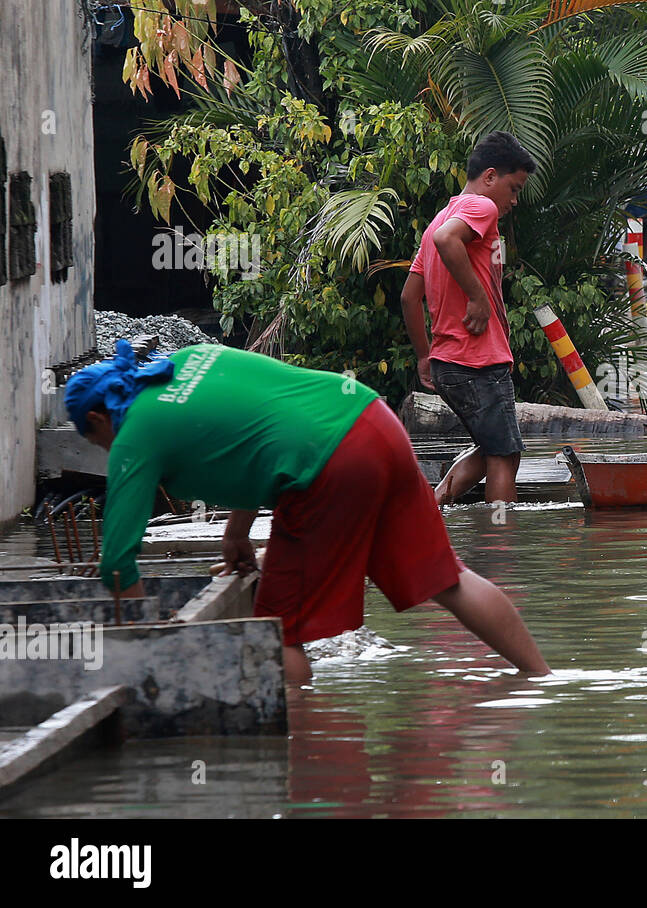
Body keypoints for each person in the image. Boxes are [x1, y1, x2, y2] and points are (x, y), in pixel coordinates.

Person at [64, 340, 552, 685]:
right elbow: (258, 425)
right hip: (373, 424)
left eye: (96, 443)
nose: (106, 452)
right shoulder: (190, 360)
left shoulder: (134, 436)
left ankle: (307, 763)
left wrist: (137, 655)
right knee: (449, 581)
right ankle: (541, 680)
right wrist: (236, 531)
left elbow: (117, 562)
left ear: (97, 419)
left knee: (277, 631)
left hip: (326, 467)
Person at [402, 131, 536, 504]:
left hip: (449, 363)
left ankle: (430, 508)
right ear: (490, 176)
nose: (513, 200)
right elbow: (449, 241)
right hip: (477, 360)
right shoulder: (480, 207)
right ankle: (501, 549)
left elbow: (409, 297)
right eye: (514, 188)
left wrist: (424, 355)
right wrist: (478, 297)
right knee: (505, 456)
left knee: (491, 446)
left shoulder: (438, 221)